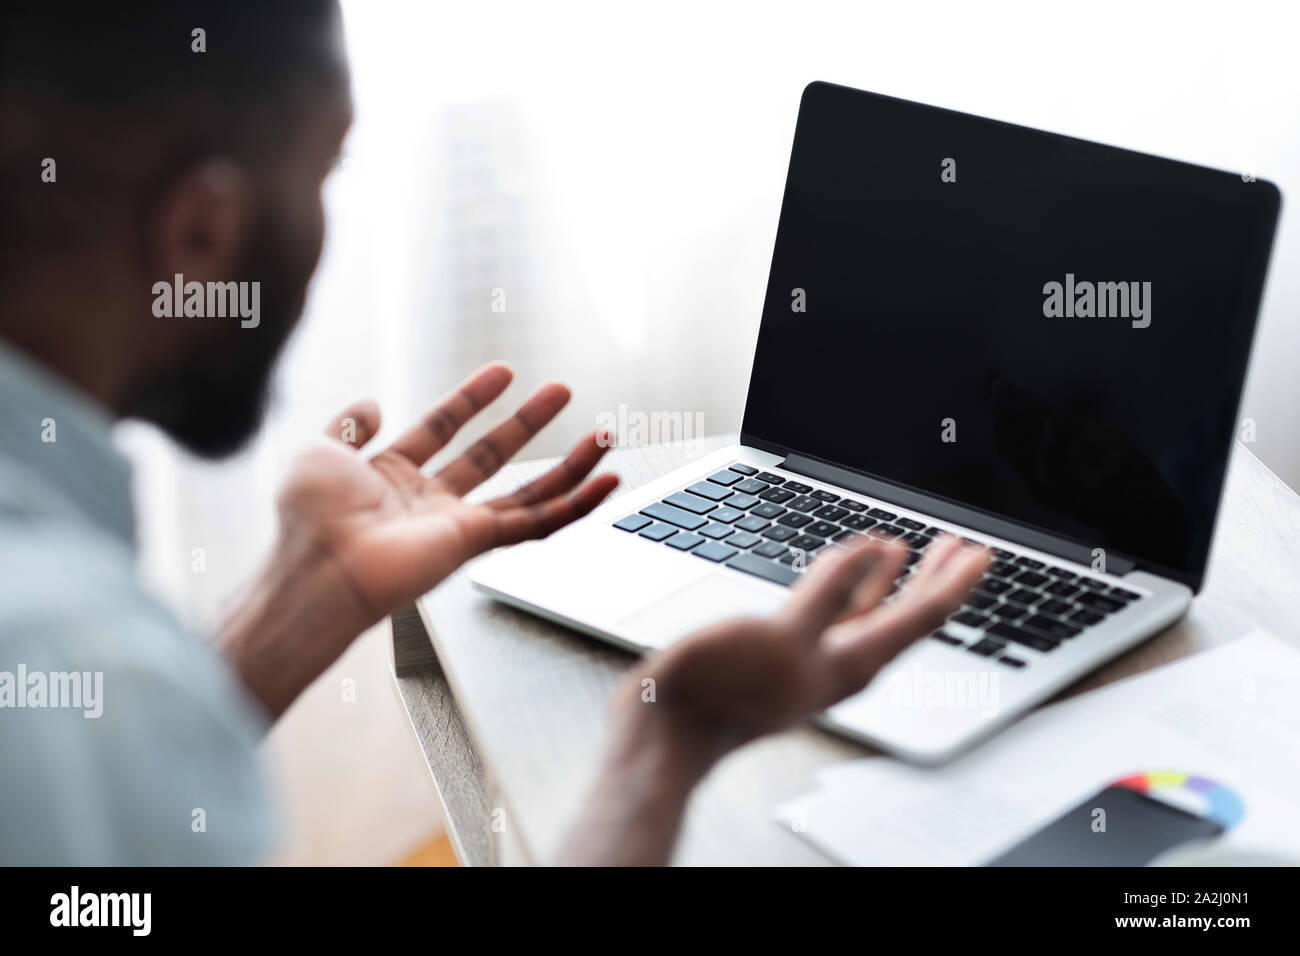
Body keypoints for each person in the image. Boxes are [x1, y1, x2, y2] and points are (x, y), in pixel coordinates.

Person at [0, 2, 988, 865]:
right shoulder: (69, 652)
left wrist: (292, 606)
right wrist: (669, 742)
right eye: (326, 168)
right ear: (200, 233)